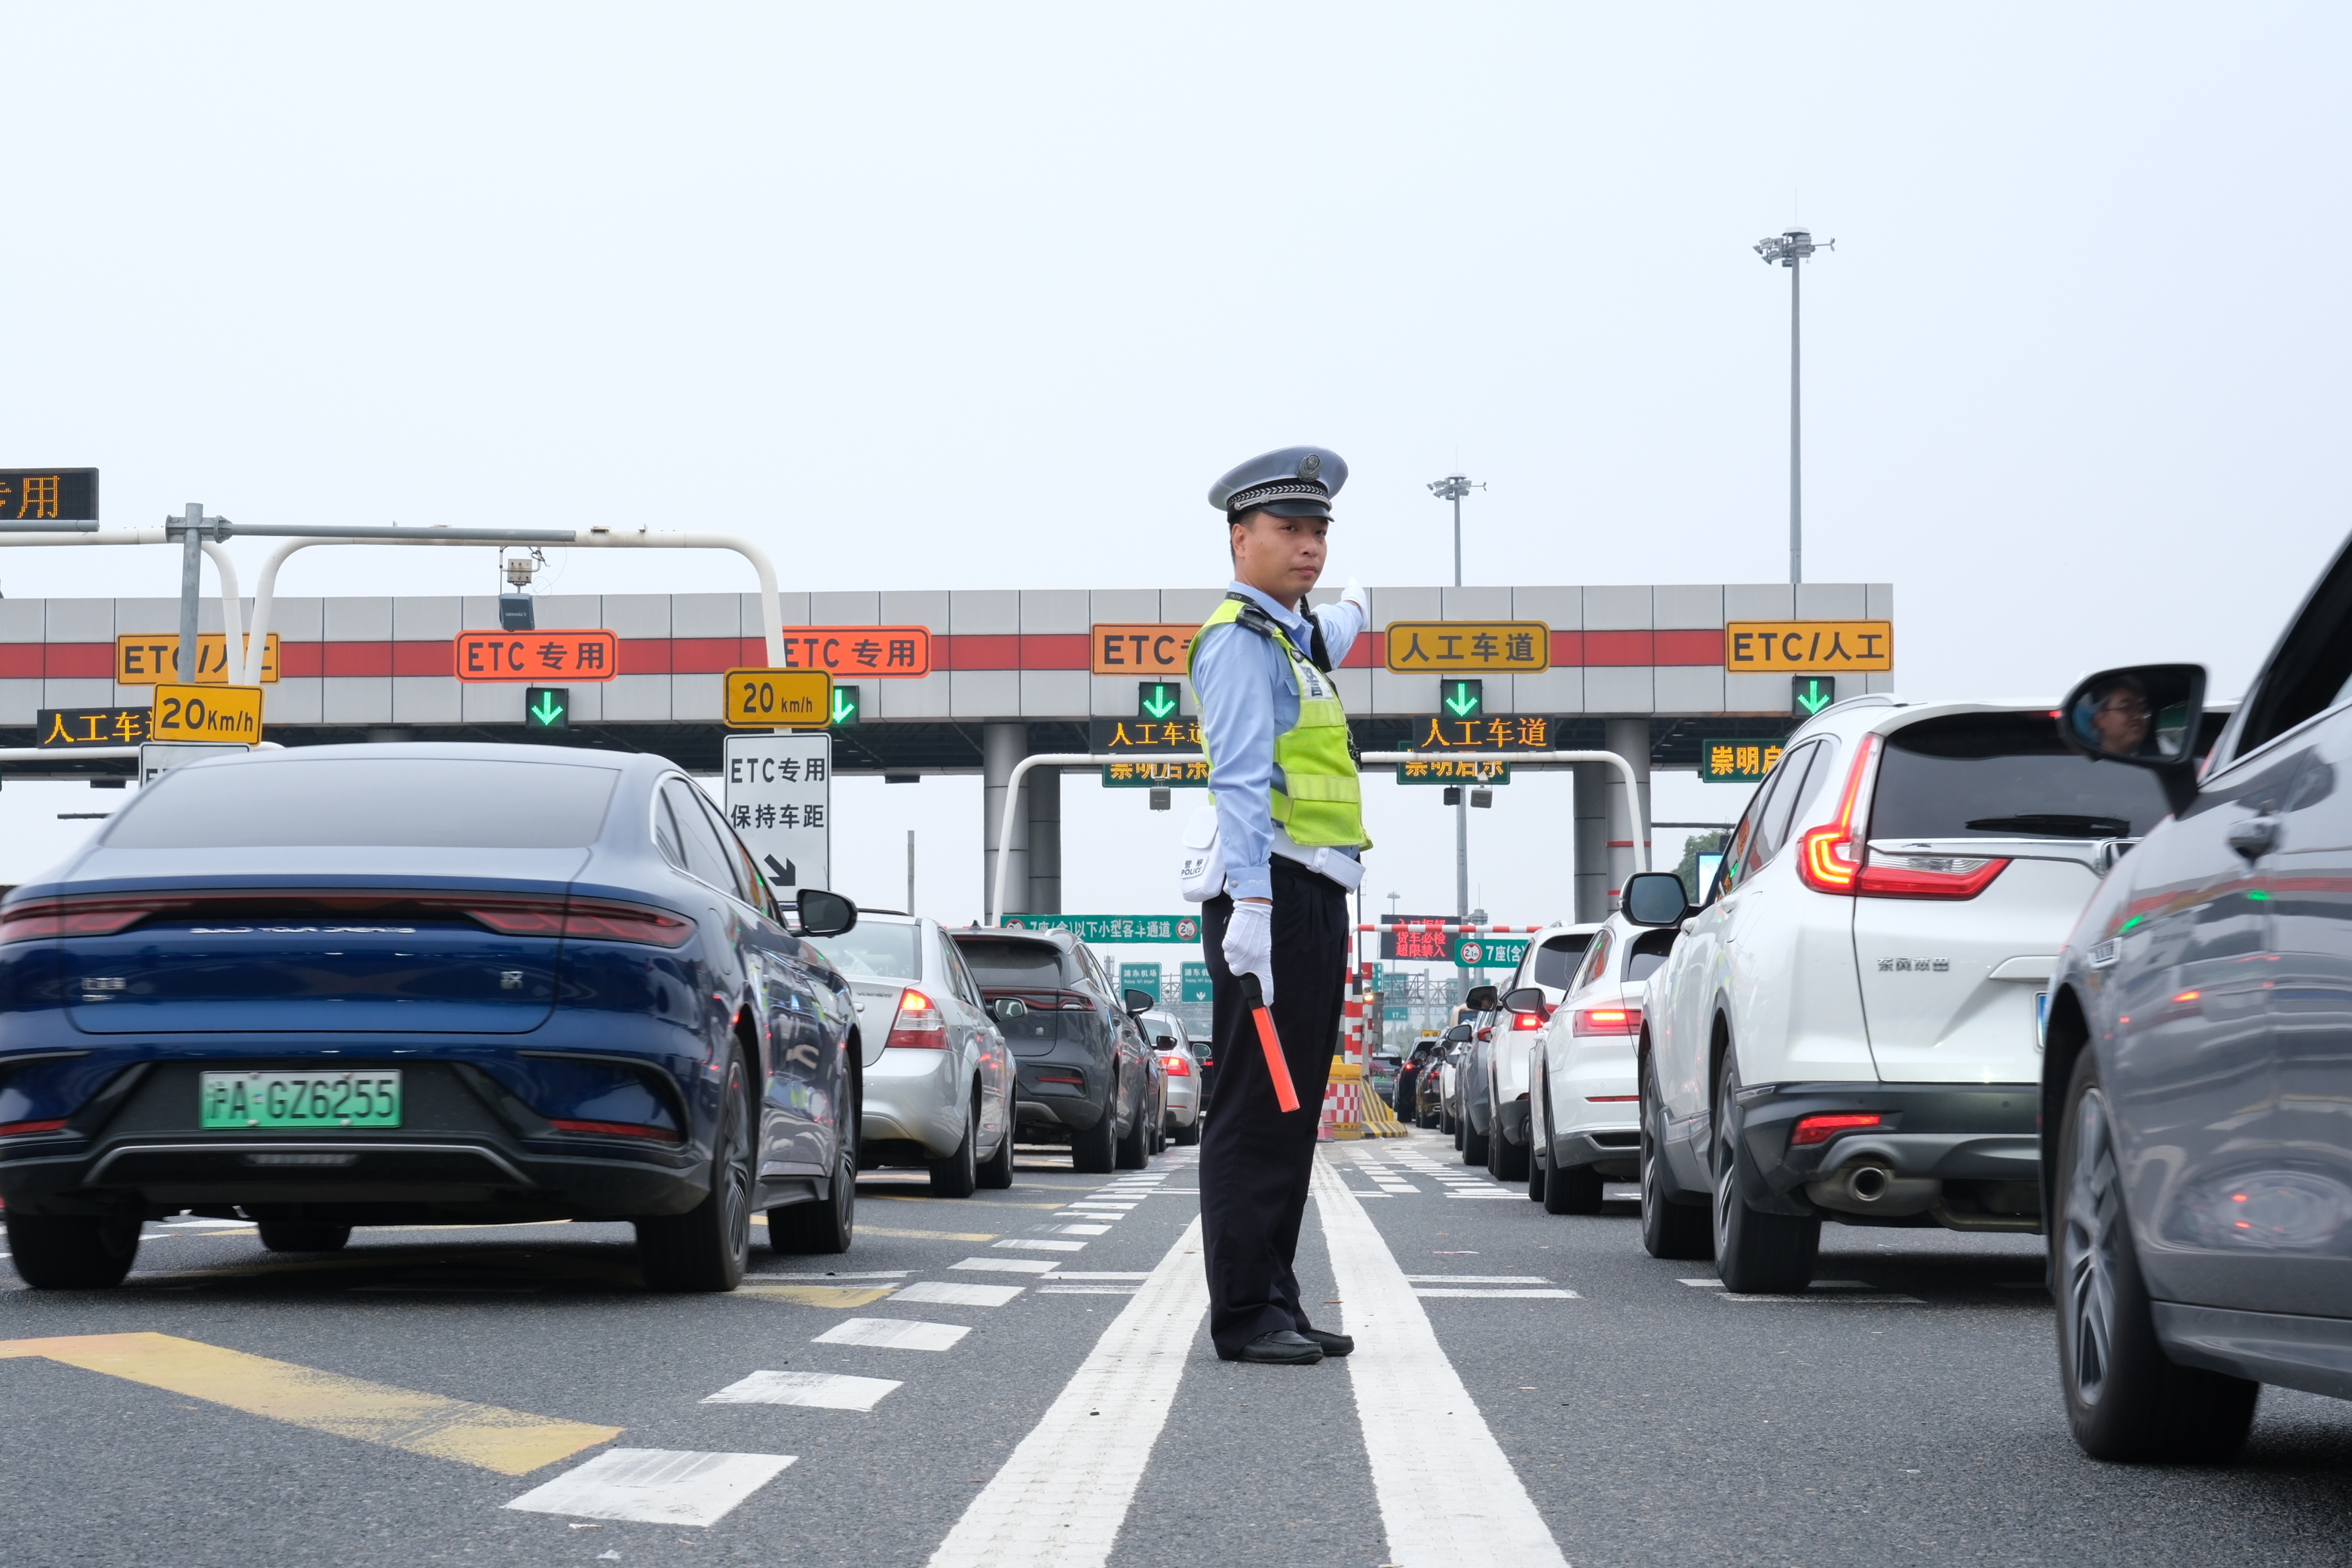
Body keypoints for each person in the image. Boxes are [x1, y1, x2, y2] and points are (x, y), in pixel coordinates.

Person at [1187, 445, 1370, 1367]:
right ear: (1240, 539)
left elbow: (1324, 634)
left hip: (1314, 894)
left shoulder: (1291, 640)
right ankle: (1245, 1312)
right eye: (1289, 530)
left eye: (1319, 531)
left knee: (1292, 1110)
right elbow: (1242, 780)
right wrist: (1251, 908)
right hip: (1269, 898)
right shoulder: (1236, 640)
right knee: (1256, 1109)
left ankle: (1278, 1297)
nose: (1308, 547)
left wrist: (1339, 621)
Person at [2087, 674, 2156, 756]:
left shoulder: (2154, 759)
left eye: (2142, 710)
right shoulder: (2087, 764)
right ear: (2100, 720)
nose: (2137, 716)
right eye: (2126, 708)